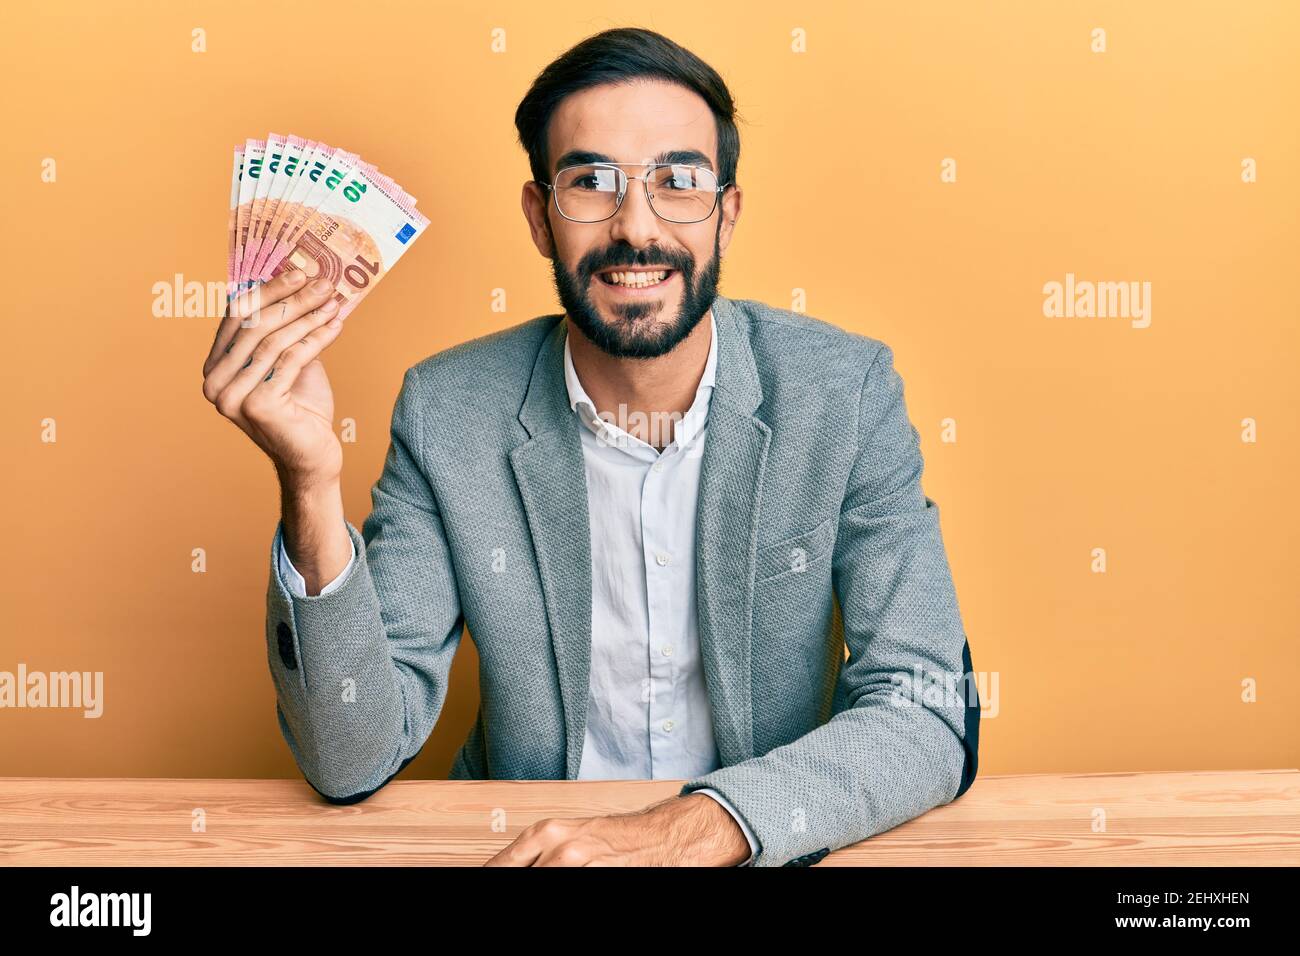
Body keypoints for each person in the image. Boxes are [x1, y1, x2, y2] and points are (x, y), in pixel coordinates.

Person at [201, 27, 979, 867]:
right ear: (540, 218)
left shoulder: (844, 393)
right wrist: (309, 484)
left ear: (727, 211)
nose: (635, 227)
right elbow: (349, 759)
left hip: (763, 848)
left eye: (679, 181)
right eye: (591, 182)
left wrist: (697, 830)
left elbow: (927, 706)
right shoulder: (448, 408)